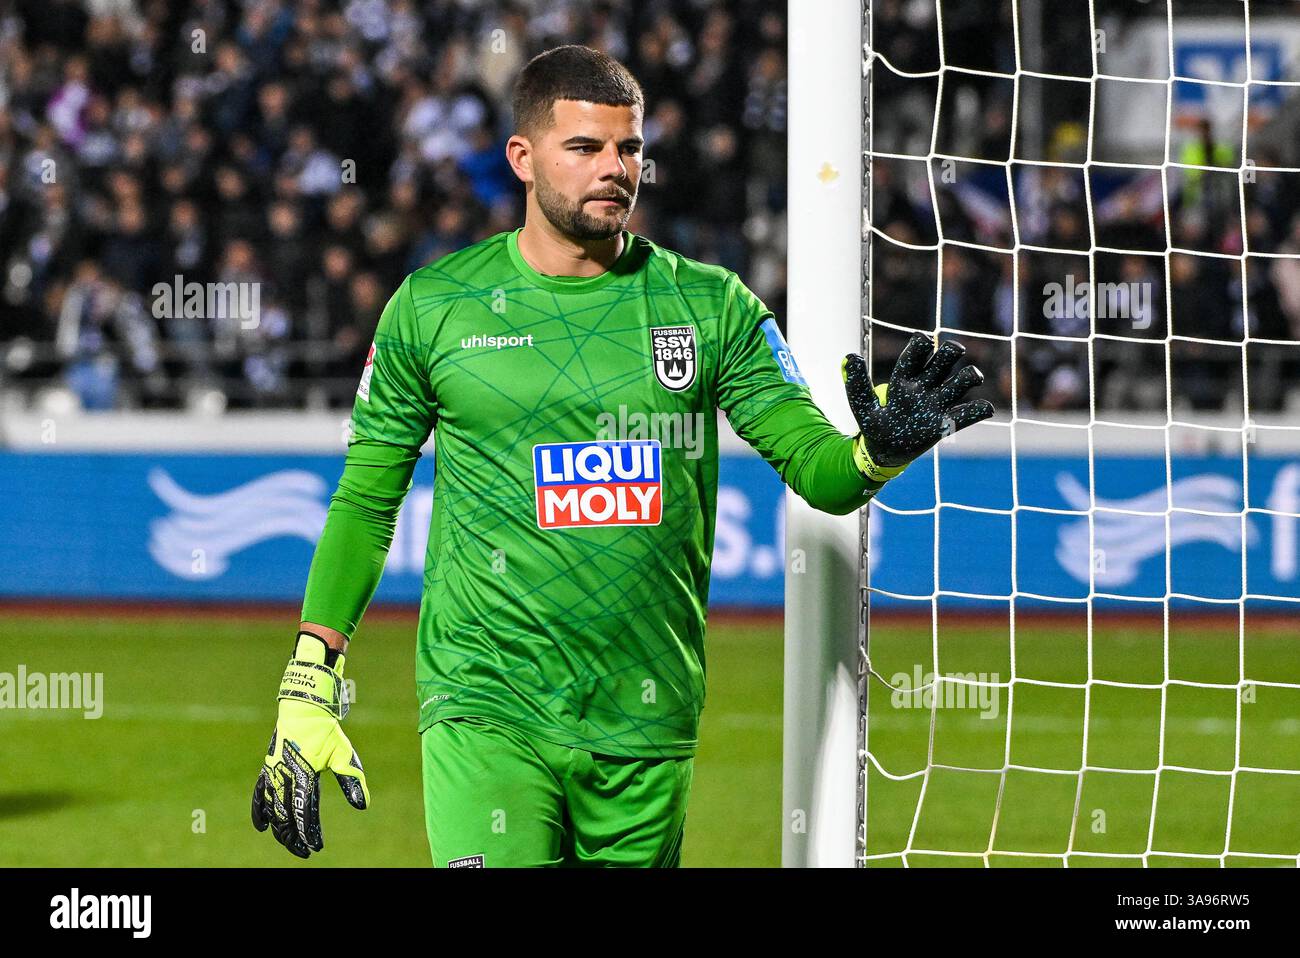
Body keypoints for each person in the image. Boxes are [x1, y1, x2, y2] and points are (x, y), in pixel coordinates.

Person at [250, 45, 994, 867]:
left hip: (646, 716)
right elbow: (365, 499)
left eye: (630, 148)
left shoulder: (711, 307)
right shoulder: (433, 308)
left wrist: (876, 451)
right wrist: (310, 676)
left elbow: (821, 472)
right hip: (485, 701)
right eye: (586, 148)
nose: (616, 168)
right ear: (523, 159)